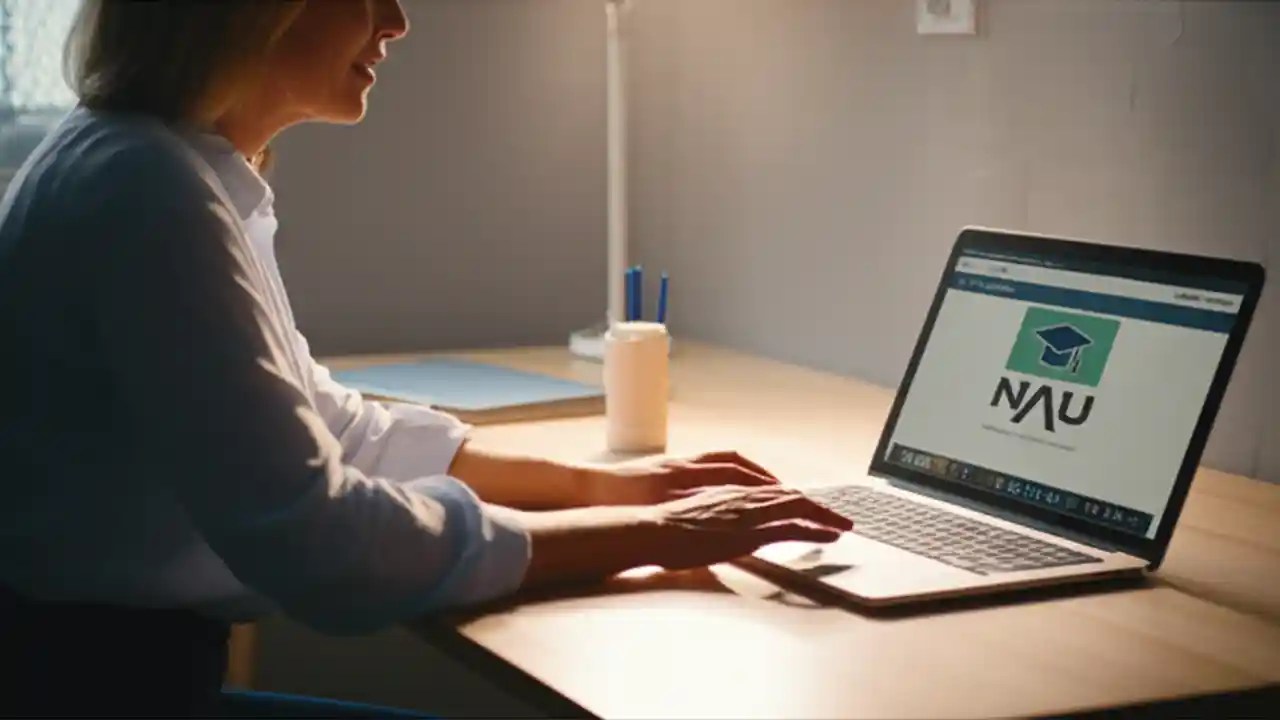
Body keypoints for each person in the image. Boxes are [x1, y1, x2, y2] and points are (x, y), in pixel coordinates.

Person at [0, 1, 853, 716]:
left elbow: (328, 426)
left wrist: (608, 486)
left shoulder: (158, 166)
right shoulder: (149, 195)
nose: (398, 21)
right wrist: (652, 534)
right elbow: (319, 538)